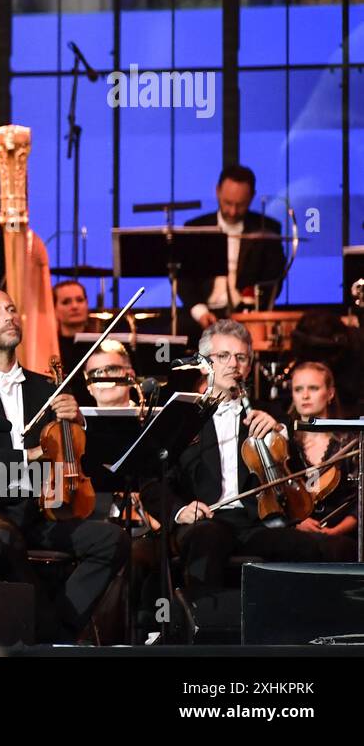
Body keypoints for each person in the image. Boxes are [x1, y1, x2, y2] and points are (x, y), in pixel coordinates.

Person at [0, 286, 129, 641]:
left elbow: (75, 456)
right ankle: (49, 636)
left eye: (12, 309)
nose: (9, 317)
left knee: (113, 540)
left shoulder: (47, 388)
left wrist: (76, 421)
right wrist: (31, 454)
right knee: (4, 538)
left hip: (40, 511)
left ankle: (53, 632)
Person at [142, 320, 342, 600]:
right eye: (222, 356)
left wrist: (278, 432)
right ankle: (205, 631)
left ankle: (296, 635)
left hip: (255, 522)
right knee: (208, 538)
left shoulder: (270, 415)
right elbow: (151, 483)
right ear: (203, 364)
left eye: (241, 357)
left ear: (249, 365)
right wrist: (179, 510)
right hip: (203, 521)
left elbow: (297, 472)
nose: (233, 364)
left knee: (314, 548)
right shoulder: (180, 417)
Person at [178, 165, 286, 328]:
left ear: (252, 197)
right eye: (227, 203)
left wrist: (249, 308)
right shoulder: (195, 227)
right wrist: (201, 312)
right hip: (203, 315)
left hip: (248, 316)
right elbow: (183, 280)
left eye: (241, 205)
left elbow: (273, 281)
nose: (233, 211)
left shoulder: (267, 229)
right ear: (217, 191)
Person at [286, 362, 356, 558]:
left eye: (313, 388)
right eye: (298, 389)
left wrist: (335, 531)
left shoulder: (350, 442)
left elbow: (359, 503)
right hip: (294, 534)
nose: (305, 395)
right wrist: (295, 523)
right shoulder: (284, 443)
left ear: (330, 393)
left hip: (341, 536)